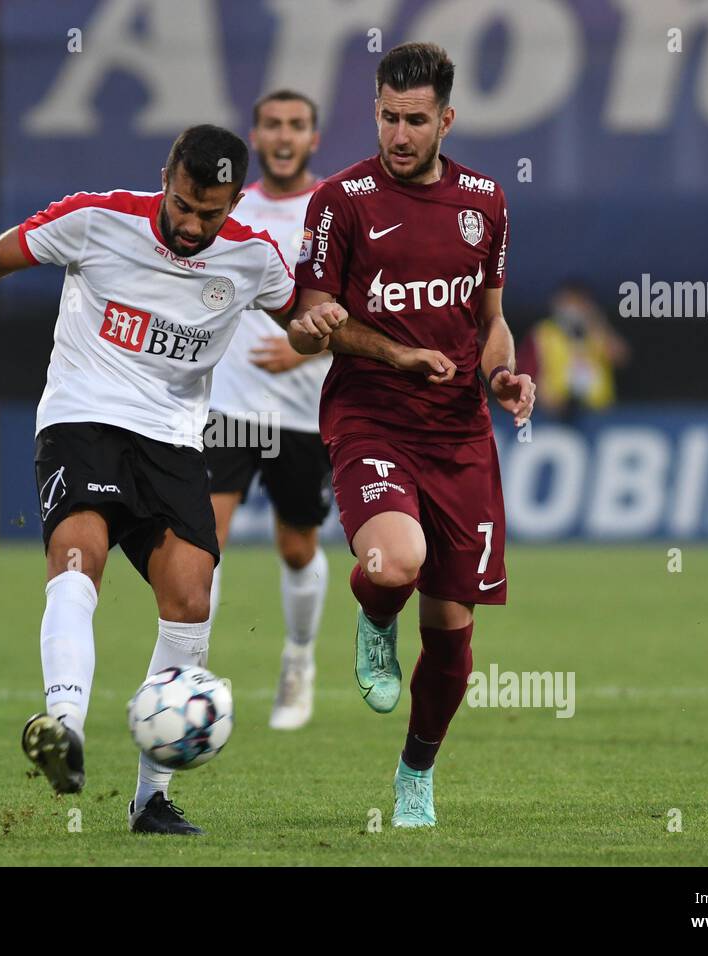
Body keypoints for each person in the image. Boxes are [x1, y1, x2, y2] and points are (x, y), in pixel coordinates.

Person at [0, 125, 305, 836]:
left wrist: (330, 331)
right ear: (165, 177)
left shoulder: (254, 259)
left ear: (235, 201)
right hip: (83, 421)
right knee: (78, 560)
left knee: (190, 595)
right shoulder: (96, 219)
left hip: (174, 441)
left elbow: (307, 314)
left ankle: (152, 799)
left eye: (211, 212)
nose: (193, 223)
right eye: (183, 204)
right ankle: (65, 726)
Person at [285, 42, 537, 828]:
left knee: (454, 636)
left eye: (415, 120)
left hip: (460, 433)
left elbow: (490, 321)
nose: (399, 133)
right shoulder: (340, 199)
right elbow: (306, 324)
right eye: (388, 117)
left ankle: (416, 773)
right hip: (371, 418)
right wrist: (325, 324)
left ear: (446, 120)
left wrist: (503, 375)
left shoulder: (486, 202)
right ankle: (373, 616)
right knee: (395, 561)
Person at [206, 89, 331, 730]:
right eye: (273, 125)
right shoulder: (228, 209)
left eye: (297, 126)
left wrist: (306, 351)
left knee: (296, 546)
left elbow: (367, 309)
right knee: (203, 541)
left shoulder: (334, 212)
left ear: (314, 137)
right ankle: (188, 675)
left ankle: (299, 658)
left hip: (304, 415)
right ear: (255, 135)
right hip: (226, 407)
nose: (284, 136)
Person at [516, 278, 629, 421]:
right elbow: (524, 374)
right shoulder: (543, 333)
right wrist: (542, 400)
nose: (573, 309)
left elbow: (621, 357)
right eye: (569, 302)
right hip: (555, 413)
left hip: (599, 413)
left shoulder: (597, 331)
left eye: (579, 303)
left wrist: (597, 323)